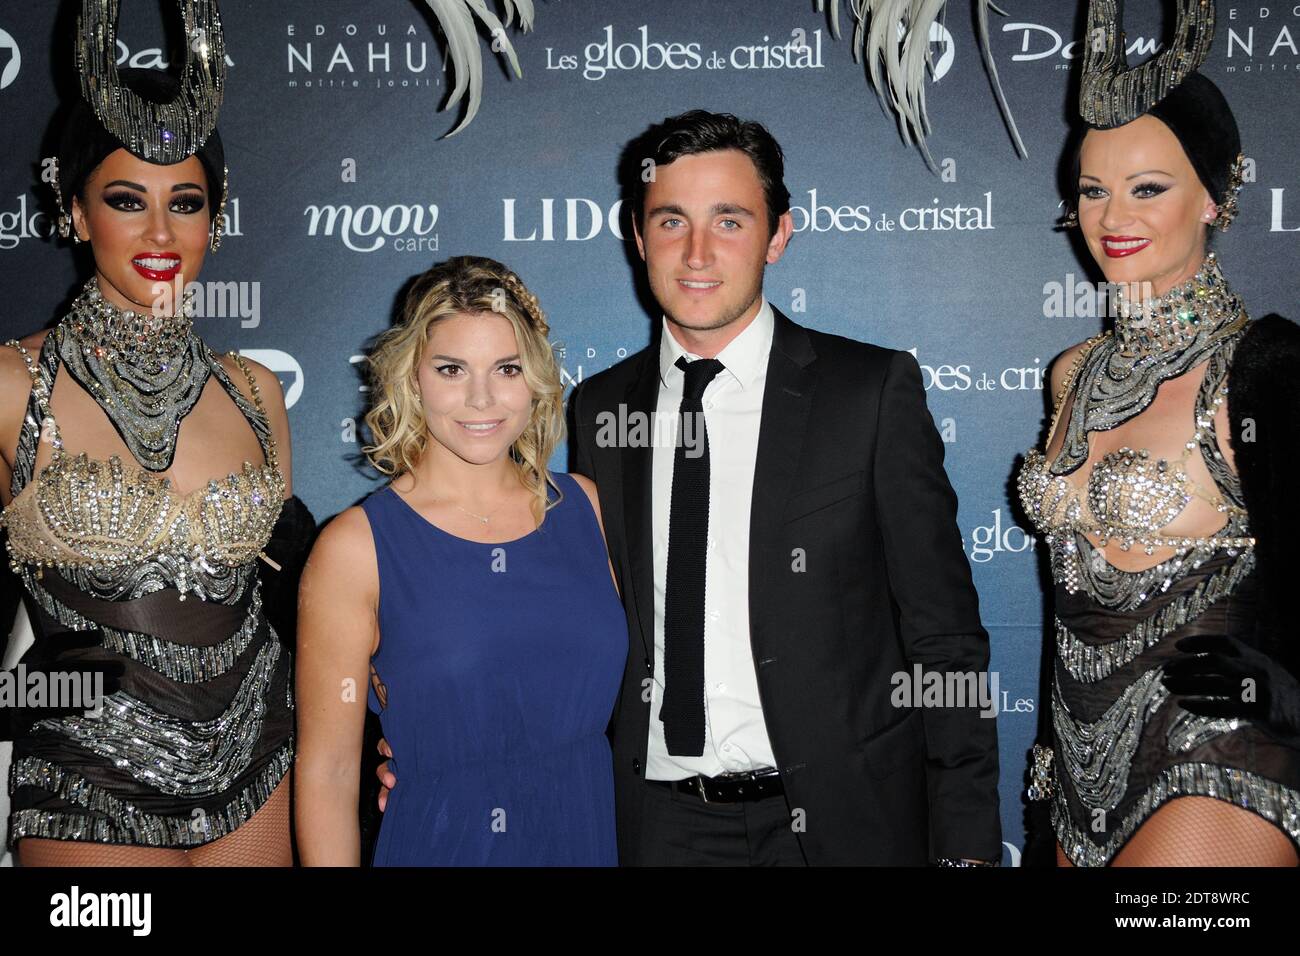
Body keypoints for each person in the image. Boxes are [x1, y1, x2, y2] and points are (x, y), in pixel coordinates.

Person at [380, 111, 1002, 866]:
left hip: (843, 824)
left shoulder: (866, 394)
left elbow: (945, 641)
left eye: (730, 221)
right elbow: (550, 615)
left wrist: (967, 842)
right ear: (639, 238)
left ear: (779, 235)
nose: (698, 252)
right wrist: (450, 748)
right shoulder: (602, 407)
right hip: (655, 826)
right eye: (671, 221)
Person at [0, 0, 307, 866]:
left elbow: (278, 606)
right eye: (127, 199)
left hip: (256, 765)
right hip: (84, 784)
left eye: (188, 202)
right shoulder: (11, 385)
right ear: (73, 210)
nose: (162, 234)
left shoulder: (254, 393)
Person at [1018, 0, 1300, 867]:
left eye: (1148, 188)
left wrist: (1281, 691)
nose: (1113, 217)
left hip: (1218, 759)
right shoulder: (1074, 373)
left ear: (1216, 197)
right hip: (1072, 769)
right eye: (1094, 189)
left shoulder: (1267, 370)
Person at [296, 256, 625, 866]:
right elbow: (328, 774)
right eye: (452, 369)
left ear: (536, 378)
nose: (481, 398)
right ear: (411, 378)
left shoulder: (590, 510)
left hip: (588, 839)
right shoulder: (356, 547)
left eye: (506, 368)